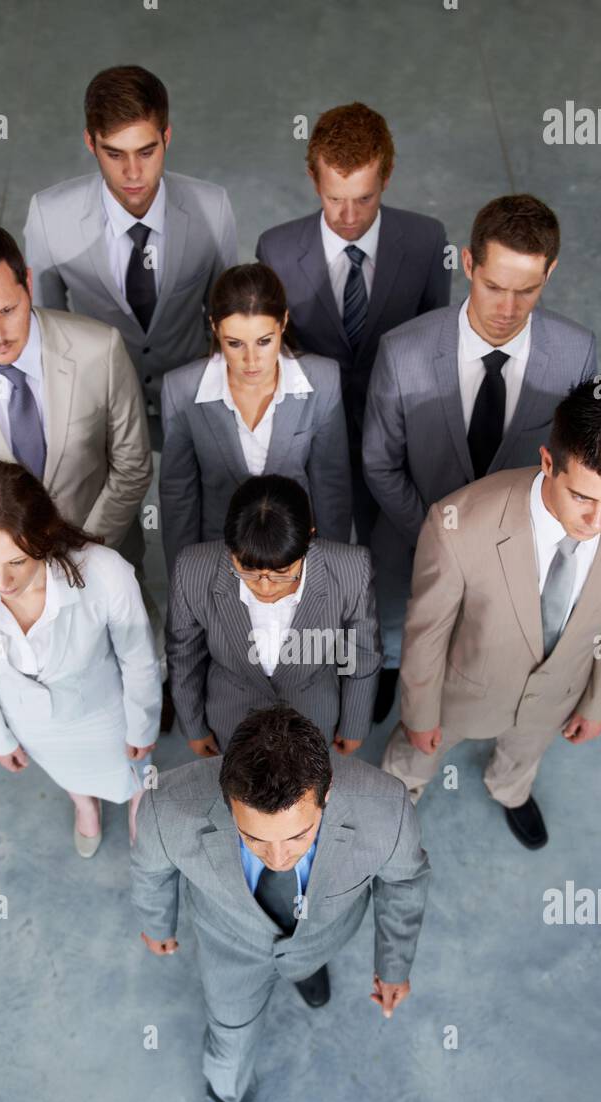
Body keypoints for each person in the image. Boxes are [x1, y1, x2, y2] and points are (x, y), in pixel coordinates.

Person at [131, 704, 430, 1102]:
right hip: (230, 948)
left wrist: (393, 965)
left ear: (327, 793)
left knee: (305, 960)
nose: (278, 855)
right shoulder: (168, 806)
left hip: (322, 936)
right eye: (254, 838)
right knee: (228, 1044)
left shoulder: (387, 808)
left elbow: (404, 885)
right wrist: (156, 922)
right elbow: (151, 871)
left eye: (297, 835)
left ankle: (302, 969)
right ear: (227, 800)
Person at [381, 378, 601, 849]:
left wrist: (599, 701)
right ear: (547, 463)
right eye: (583, 497)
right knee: (413, 756)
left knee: (525, 751)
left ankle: (509, 788)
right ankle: (396, 802)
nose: (598, 521)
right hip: (465, 691)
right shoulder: (457, 525)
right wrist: (420, 715)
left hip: (558, 692)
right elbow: (427, 633)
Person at [363, 194, 598, 722]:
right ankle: (389, 672)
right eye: (493, 287)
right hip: (412, 537)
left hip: (513, 552)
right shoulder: (403, 352)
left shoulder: (576, 352)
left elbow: (571, 465)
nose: (507, 310)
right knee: (397, 628)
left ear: (550, 272)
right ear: (467, 263)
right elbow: (380, 462)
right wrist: (432, 531)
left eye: (526, 290)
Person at [0, 221, 154, 608]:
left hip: (104, 548)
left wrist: (83, 555)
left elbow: (133, 465)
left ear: (27, 281)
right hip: (8, 573)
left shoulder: (100, 349)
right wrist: (10, 559)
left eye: (7, 309)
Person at [0, 461, 162, 857]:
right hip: (32, 725)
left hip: (102, 712)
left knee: (133, 771)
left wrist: (143, 724)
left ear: (43, 535)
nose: (1, 582)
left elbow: (138, 657)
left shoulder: (104, 573)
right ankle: (83, 802)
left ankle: (141, 799)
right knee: (68, 772)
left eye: (17, 561)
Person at [256, 101, 450, 546]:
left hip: (397, 437)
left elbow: (433, 345)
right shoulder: (276, 250)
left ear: (388, 175)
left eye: (364, 198)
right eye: (334, 198)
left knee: (397, 560)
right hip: (314, 438)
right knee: (319, 556)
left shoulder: (427, 241)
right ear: (313, 179)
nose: (348, 217)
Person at [23, 64, 238, 452]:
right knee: (111, 513)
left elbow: (226, 319)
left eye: (146, 151)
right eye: (114, 153)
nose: (133, 173)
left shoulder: (213, 208)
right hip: (99, 405)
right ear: (91, 143)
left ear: (167, 137)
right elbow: (48, 330)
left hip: (193, 397)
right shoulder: (48, 216)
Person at [166, 474, 380, 755]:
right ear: (229, 546)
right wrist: (194, 728)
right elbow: (184, 656)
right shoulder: (192, 569)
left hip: (315, 714)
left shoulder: (351, 570)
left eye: (281, 573)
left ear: (309, 537)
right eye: (248, 571)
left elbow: (360, 654)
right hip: (230, 718)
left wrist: (353, 725)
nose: (265, 587)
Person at [159, 263, 352, 575]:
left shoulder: (323, 380)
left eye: (264, 341)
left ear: (283, 322)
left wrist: (331, 579)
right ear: (214, 327)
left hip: (298, 566)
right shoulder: (181, 390)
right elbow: (178, 498)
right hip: (218, 564)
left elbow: (332, 491)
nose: (251, 360)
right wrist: (186, 585)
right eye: (235, 343)